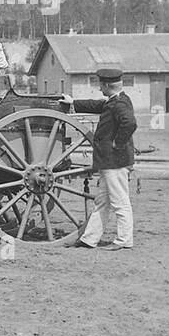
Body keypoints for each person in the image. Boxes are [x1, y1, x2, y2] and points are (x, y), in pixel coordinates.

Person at [62, 67, 137, 250]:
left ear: (107, 85)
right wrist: (73, 102)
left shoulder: (119, 104)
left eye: (100, 85)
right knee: (102, 202)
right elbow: (98, 105)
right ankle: (89, 239)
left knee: (120, 203)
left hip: (115, 162)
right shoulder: (117, 100)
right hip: (109, 162)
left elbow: (130, 123)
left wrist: (117, 143)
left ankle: (124, 241)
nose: (99, 89)